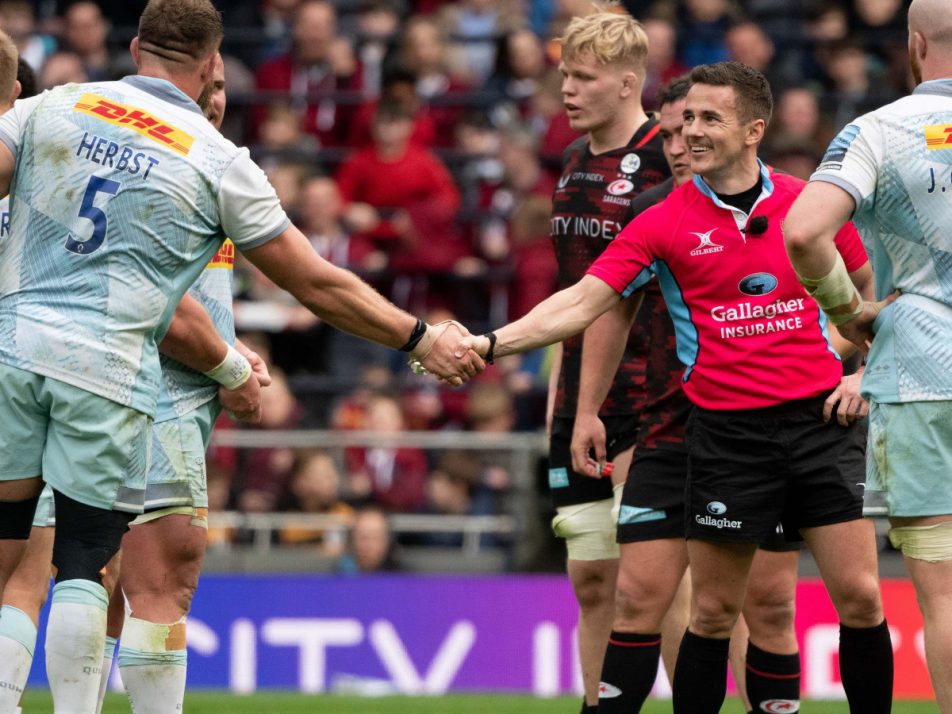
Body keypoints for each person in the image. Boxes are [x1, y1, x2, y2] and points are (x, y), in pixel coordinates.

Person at [0, 1, 481, 711]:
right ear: (209, 65)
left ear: (134, 49)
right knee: (80, 563)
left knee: (26, 560)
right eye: (217, 81)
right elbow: (313, 282)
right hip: (112, 376)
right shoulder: (215, 163)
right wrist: (418, 337)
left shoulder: (55, 107)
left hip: (17, 354)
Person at [458, 61, 893, 714]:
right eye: (687, 118)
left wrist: (861, 372)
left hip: (819, 429)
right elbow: (582, 302)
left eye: (709, 118)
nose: (690, 131)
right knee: (712, 612)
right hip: (726, 437)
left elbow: (868, 295)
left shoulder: (807, 204)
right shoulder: (661, 222)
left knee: (859, 597)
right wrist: (489, 344)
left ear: (754, 130)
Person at [577, 75, 801, 714]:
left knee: (759, 604)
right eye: (672, 132)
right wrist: (588, 409)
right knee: (637, 598)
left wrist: (851, 370)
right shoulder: (651, 214)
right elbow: (604, 310)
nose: (680, 144)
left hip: (755, 432)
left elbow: (829, 306)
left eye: (695, 127)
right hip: (666, 430)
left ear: (745, 132)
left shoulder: (790, 207)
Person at [784, 0, 952, 708]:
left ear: (913, 45)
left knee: (944, 594)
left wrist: (847, 313)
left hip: (922, 374)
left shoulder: (879, 130)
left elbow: (802, 233)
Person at [545, 12, 670, 713]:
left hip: (651, 398)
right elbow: (570, 293)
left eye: (584, 77)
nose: (567, 89)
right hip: (579, 397)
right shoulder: (571, 160)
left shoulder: (661, 158)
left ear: (628, 83)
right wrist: (561, 401)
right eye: (565, 74)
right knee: (591, 579)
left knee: (654, 583)